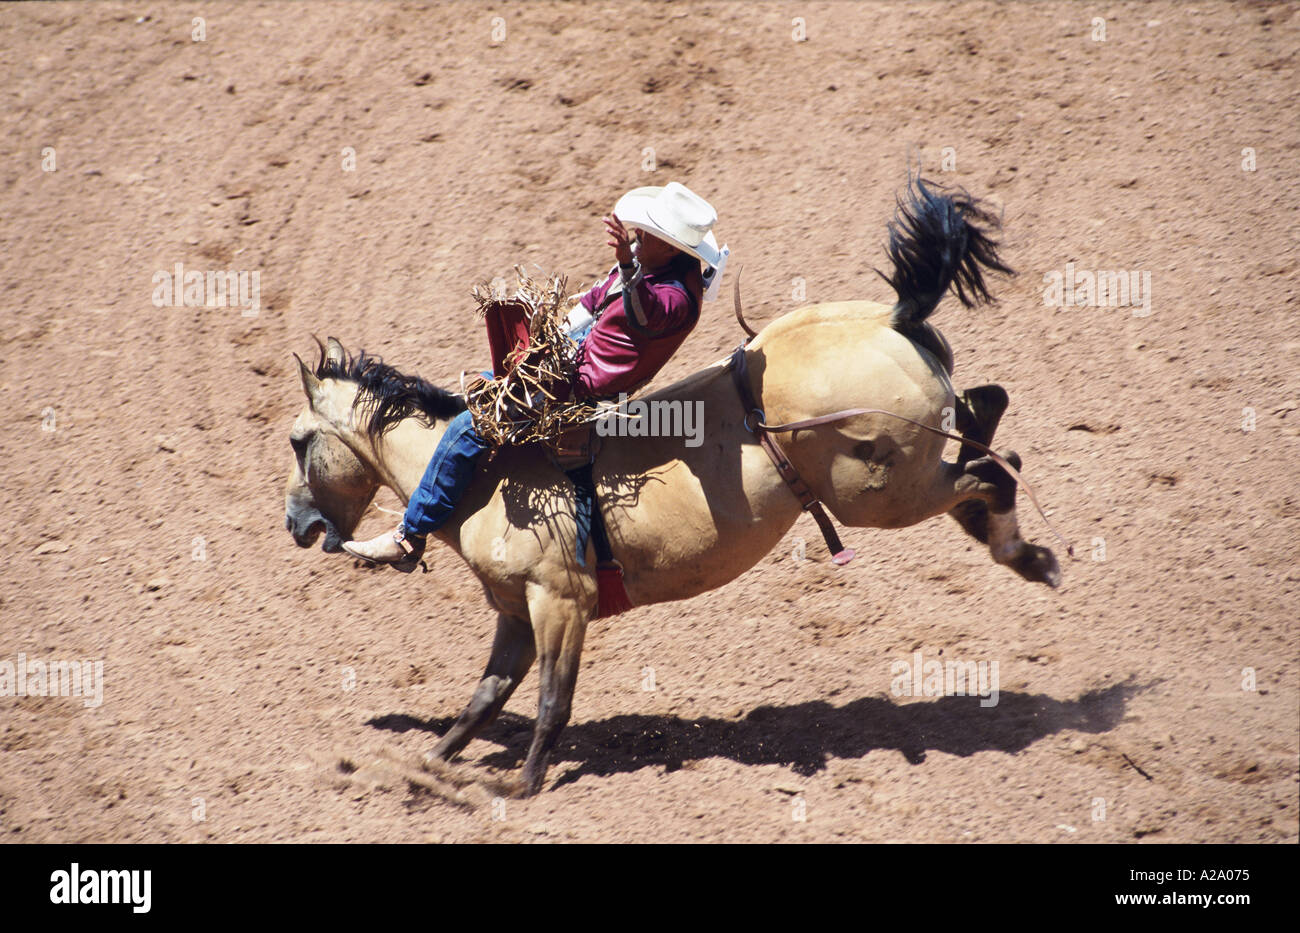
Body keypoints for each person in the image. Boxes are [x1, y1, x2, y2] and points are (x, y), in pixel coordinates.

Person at [343, 181, 727, 571]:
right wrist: (551, 339)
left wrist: (627, 264)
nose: (638, 234)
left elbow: (643, 314)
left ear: (673, 246)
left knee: (471, 424)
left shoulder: (676, 298)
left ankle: (409, 537)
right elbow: (597, 299)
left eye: (651, 233)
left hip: (582, 389)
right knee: (480, 385)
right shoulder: (656, 265)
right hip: (570, 361)